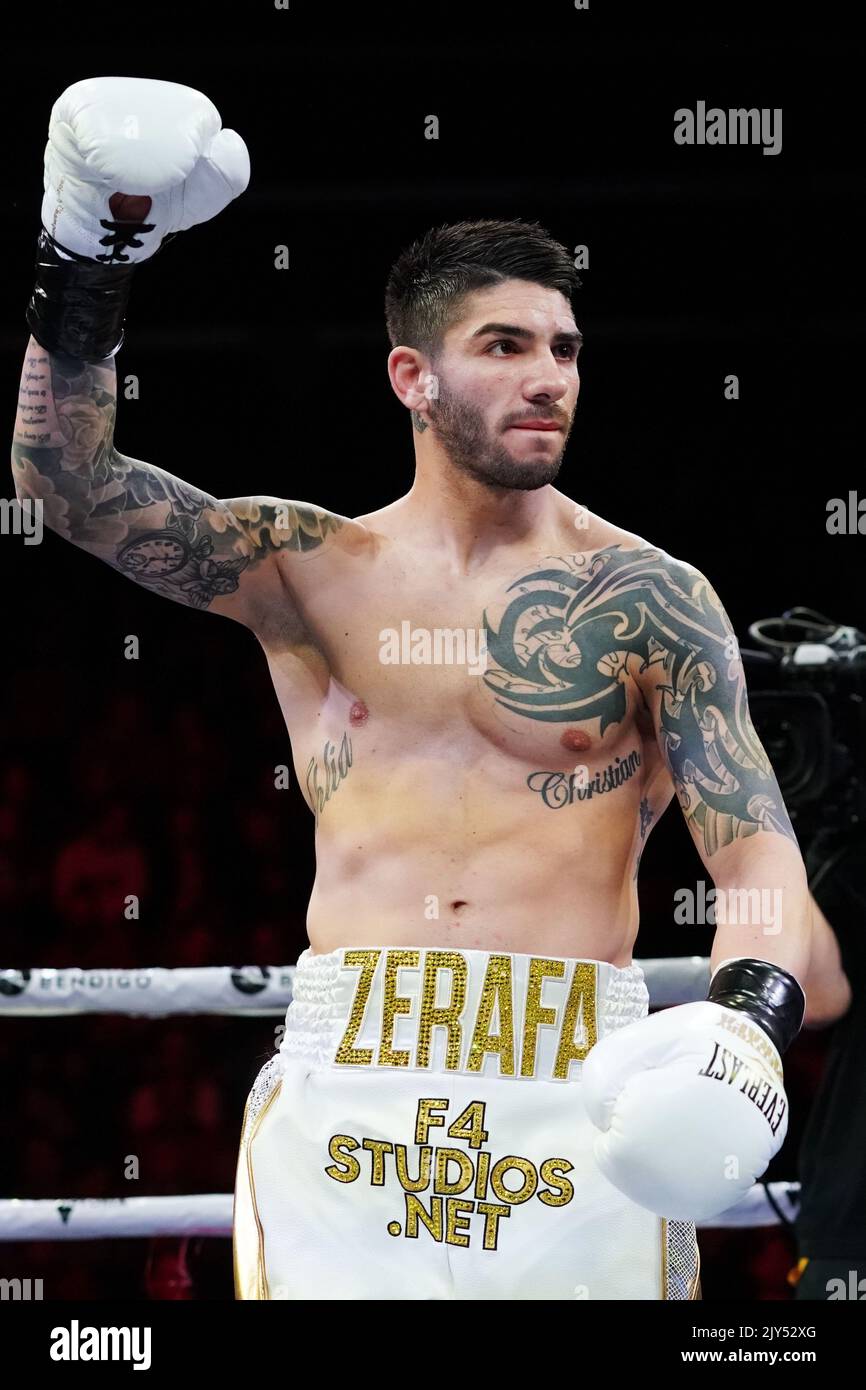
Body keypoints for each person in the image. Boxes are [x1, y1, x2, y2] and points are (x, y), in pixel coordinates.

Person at [12, 76, 847, 1301]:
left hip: (577, 1088)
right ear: (411, 374)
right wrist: (86, 258)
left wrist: (746, 1027)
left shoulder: (651, 598)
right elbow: (68, 486)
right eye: (504, 347)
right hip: (349, 1080)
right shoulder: (306, 566)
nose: (546, 376)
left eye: (562, 348)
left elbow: (758, 861)